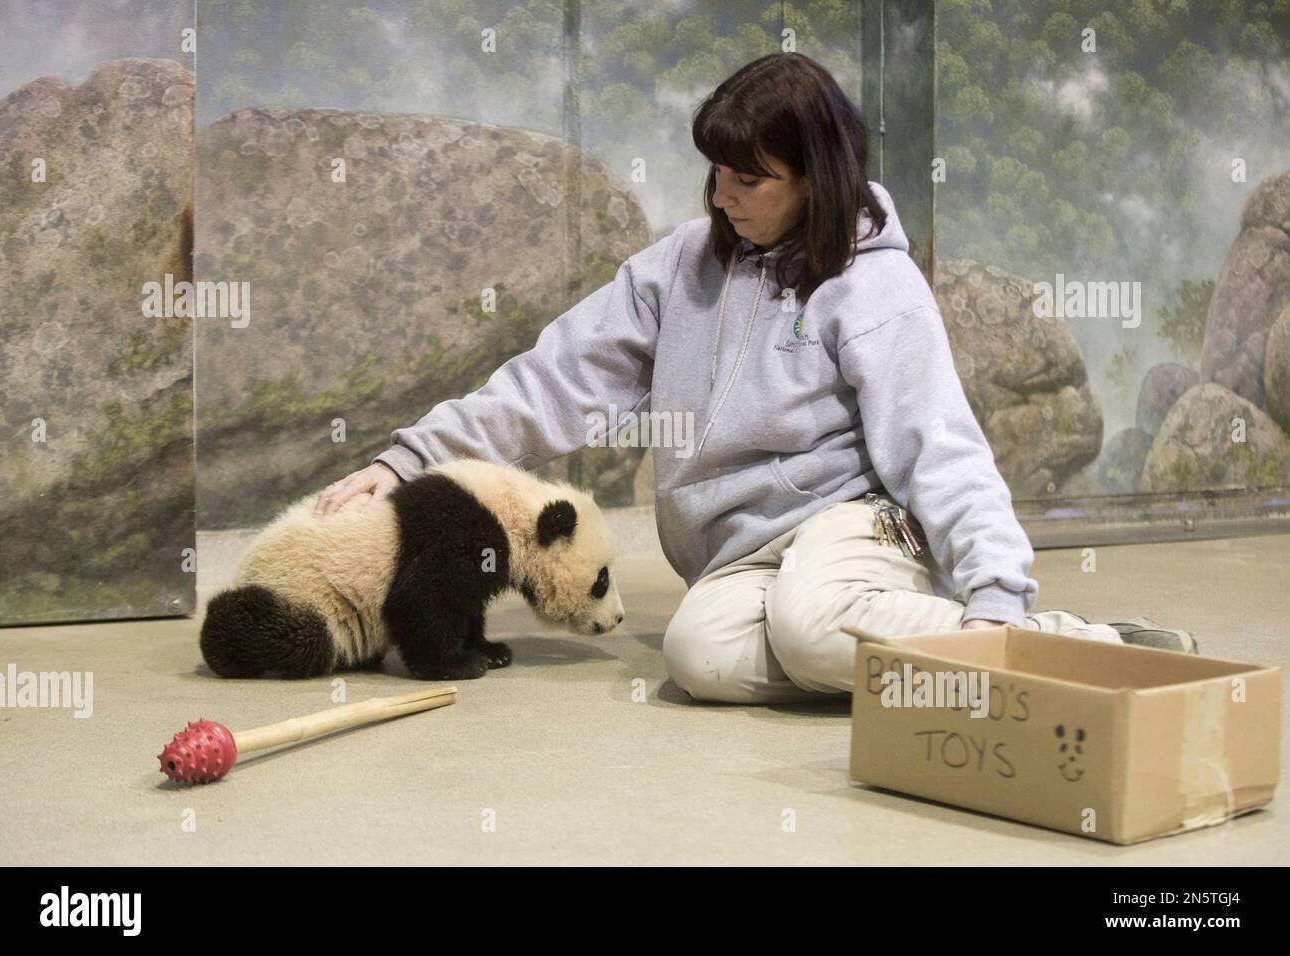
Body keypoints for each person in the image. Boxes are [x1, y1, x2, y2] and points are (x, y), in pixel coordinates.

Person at [313, 53, 1197, 703]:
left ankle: (1042, 645)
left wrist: (996, 590)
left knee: (816, 628)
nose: (720, 197)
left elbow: (943, 449)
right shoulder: (683, 267)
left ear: (816, 180)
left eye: (749, 179)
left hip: (859, 528)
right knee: (698, 660)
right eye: (716, 173)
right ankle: (927, 649)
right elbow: (556, 377)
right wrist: (411, 458)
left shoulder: (874, 286)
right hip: (742, 555)